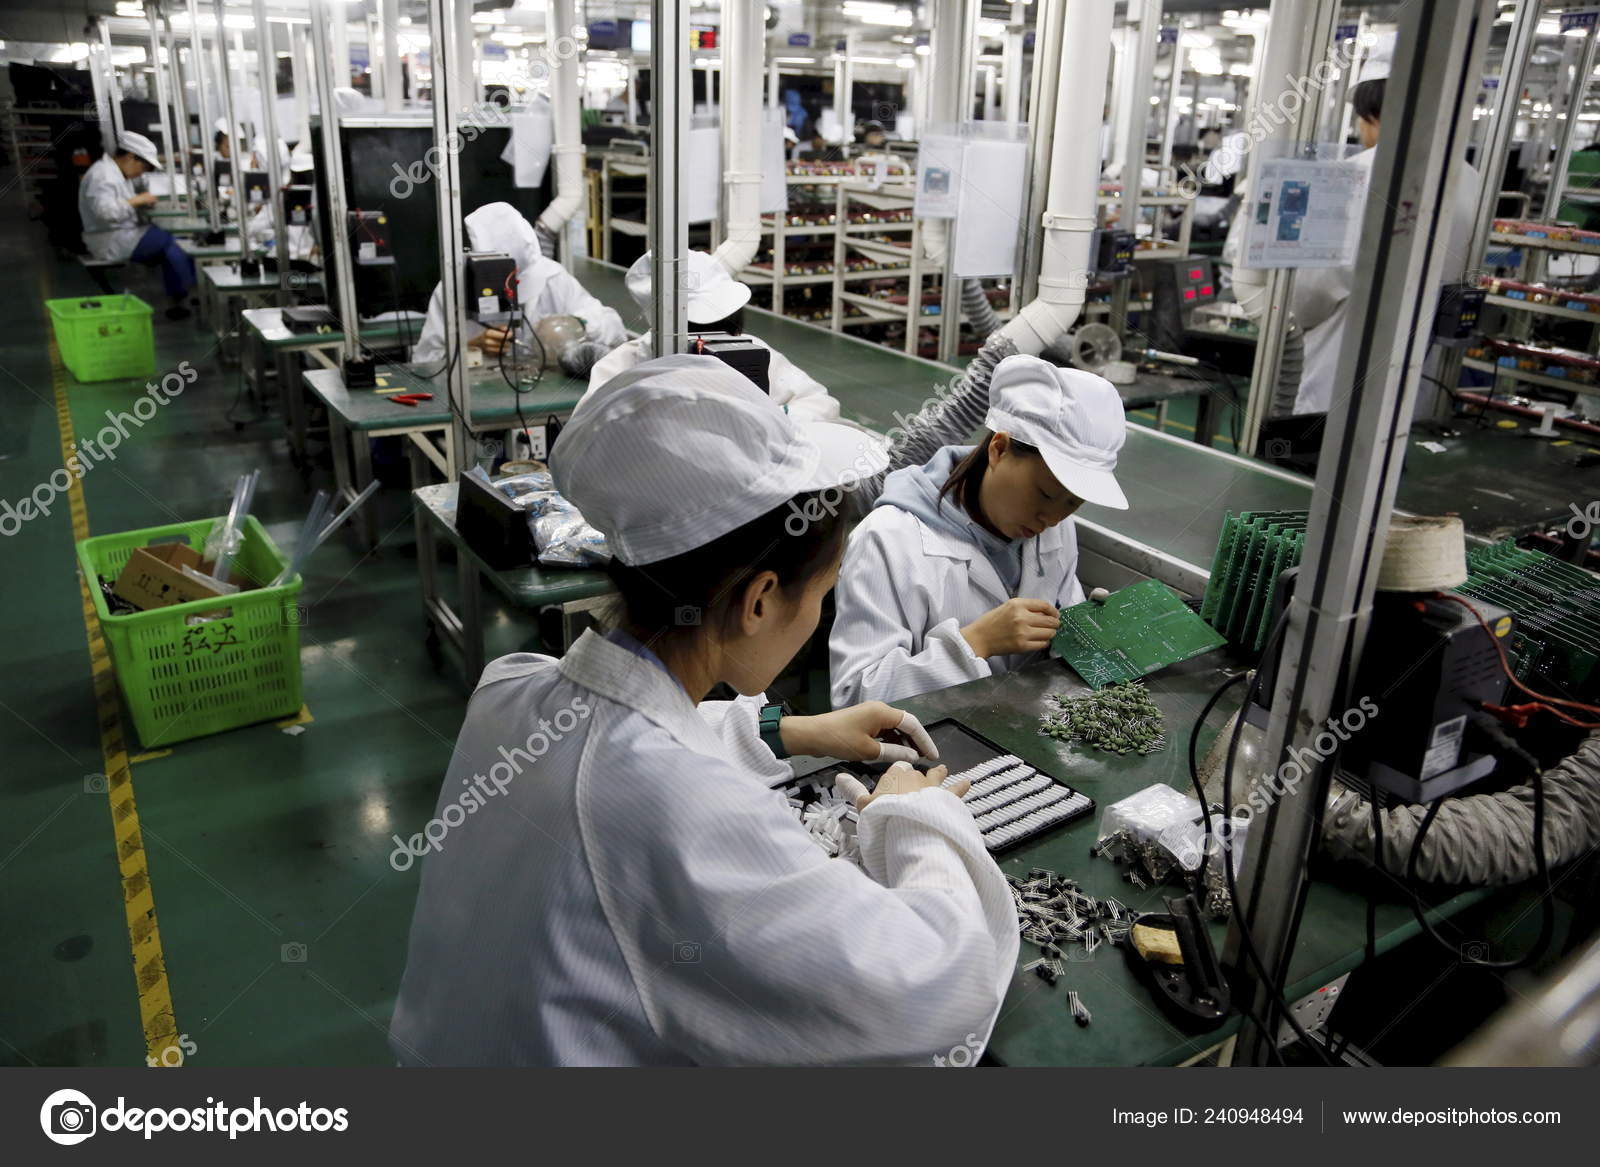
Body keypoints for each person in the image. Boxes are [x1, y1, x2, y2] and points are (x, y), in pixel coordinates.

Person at [390, 355, 1019, 1065]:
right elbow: (931, 987)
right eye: (823, 592)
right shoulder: (690, 816)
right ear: (759, 601)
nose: (817, 616)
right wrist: (914, 818)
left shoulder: (509, 689)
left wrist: (786, 731)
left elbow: (629, 740)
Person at [829, 355, 1128, 708]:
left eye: (1072, 504)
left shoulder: (1054, 529)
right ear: (998, 449)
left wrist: (1082, 633)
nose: (1052, 517)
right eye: (1045, 494)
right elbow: (854, 700)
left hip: (1022, 729)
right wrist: (974, 644)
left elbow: (1058, 628)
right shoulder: (890, 539)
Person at [1227, 34, 1478, 418]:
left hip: (1336, 385)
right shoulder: (1471, 180)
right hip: (1423, 385)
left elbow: (1310, 298)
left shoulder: (1352, 179)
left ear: (1373, 111)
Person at [584, 250, 841, 423]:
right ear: (665, 326)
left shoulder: (753, 350)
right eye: (700, 326)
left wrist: (771, 419)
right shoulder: (621, 366)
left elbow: (822, 404)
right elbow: (585, 440)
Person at [412, 202, 626, 366]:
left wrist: (577, 324)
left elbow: (614, 328)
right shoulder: (452, 289)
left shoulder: (552, 278)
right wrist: (470, 348)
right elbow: (424, 361)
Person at [78, 131, 197, 320]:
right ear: (130, 157)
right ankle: (186, 295)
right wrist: (137, 200)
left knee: (176, 243)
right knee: (172, 241)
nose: (144, 172)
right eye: (145, 166)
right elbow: (106, 213)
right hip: (110, 239)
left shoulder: (117, 173)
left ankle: (182, 297)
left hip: (125, 234)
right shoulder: (103, 176)